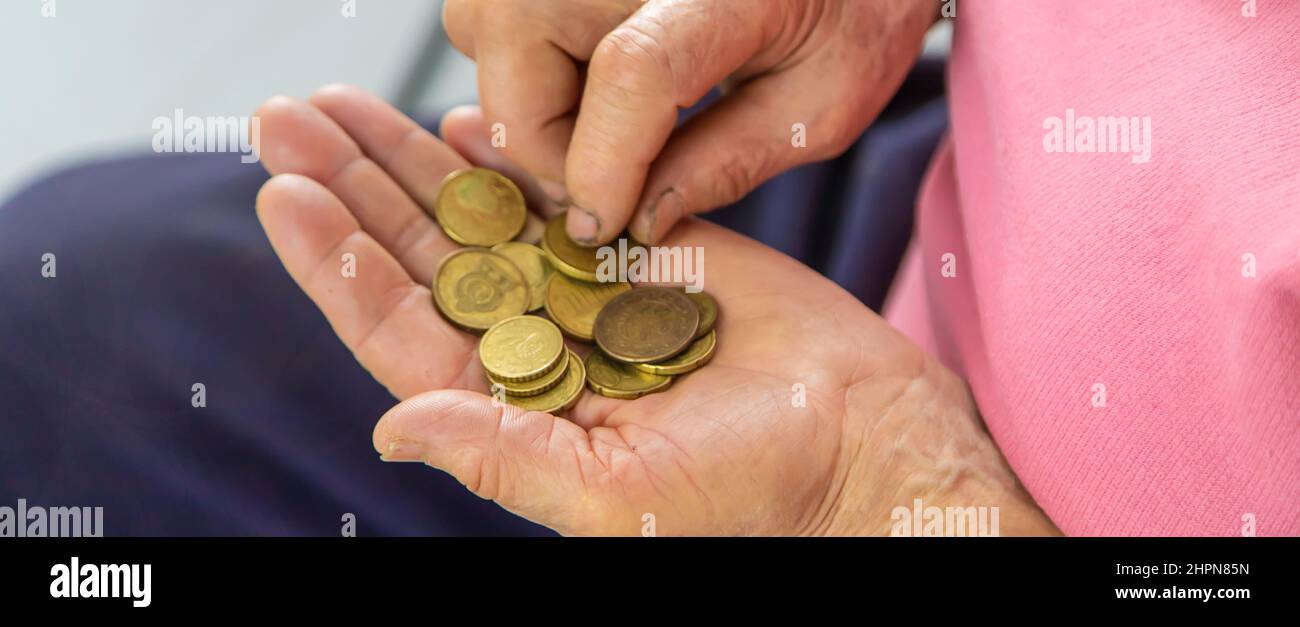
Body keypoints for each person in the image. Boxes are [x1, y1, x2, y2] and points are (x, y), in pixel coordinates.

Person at [251, 0, 1300, 535]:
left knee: (115, 358)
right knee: (117, 259)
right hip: (944, 167)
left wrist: (884, 493)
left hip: (916, 466)